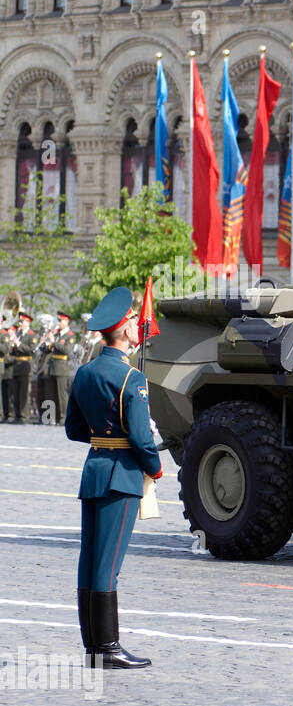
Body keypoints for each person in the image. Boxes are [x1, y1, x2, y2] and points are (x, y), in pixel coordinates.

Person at [65, 287, 163, 670]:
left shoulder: (86, 372)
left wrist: (104, 437)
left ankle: (93, 645)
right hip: (121, 475)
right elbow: (141, 438)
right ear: (123, 331)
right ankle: (107, 648)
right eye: (133, 323)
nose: (139, 327)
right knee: (108, 564)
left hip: (94, 470)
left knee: (90, 560)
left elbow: (74, 428)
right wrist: (154, 466)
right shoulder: (131, 378)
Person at [42, 310, 76, 423]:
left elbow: (66, 350)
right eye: (58, 320)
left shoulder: (70, 336)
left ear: (67, 321)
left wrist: (53, 342)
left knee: (62, 394)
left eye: (61, 320)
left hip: (61, 368)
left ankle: (63, 417)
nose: (59, 322)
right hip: (51, 367)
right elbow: (47, 350)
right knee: (50, 394)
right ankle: (51, 417)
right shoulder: (56, 334)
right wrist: (45, 343)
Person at [10, 311, 37, 423]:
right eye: (19, 321)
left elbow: (31, 350)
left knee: (24, 393)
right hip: (16, 366)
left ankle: (24, 416)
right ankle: (17, 415)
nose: (20, 324)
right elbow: (13, 352)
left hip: (25, 367)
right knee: (15, 392)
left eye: (22, 321)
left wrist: (18, 344)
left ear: (28, 322)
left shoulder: (31, 335)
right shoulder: (19, 334)